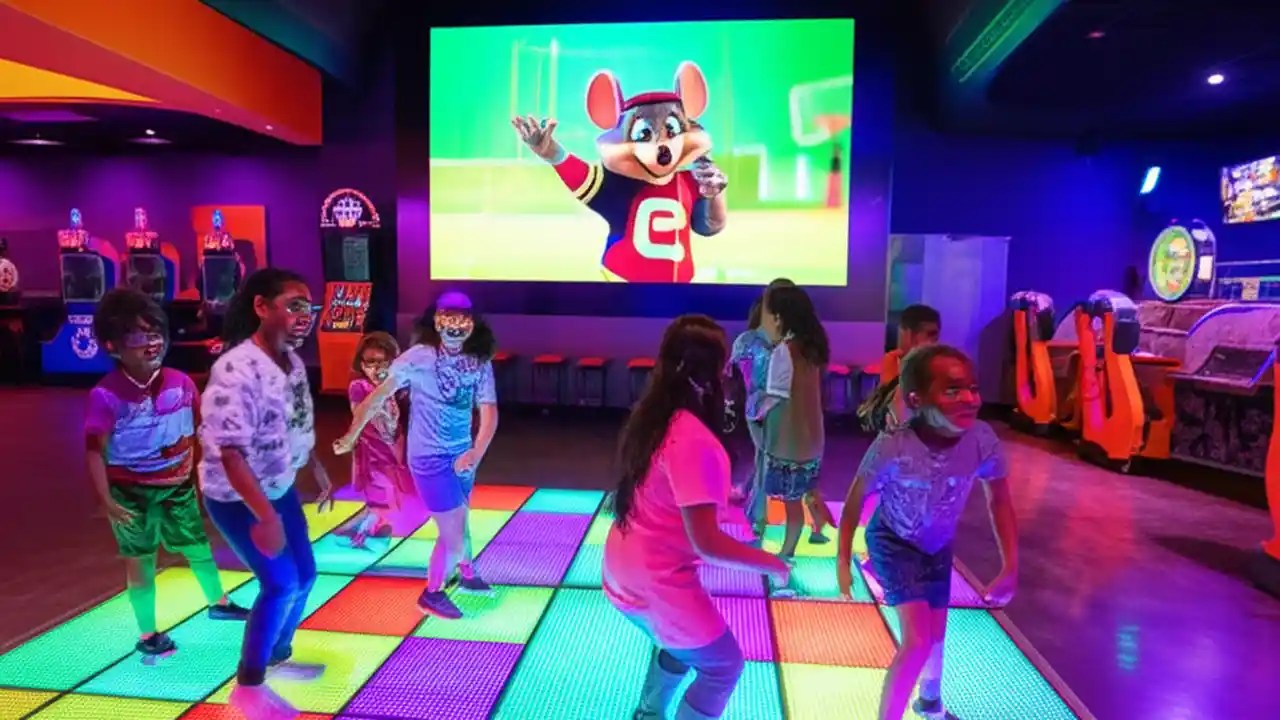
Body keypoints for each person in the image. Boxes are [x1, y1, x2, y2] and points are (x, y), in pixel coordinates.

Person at [604, 314, 790, 720]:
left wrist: (729, 495)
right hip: (652, 581)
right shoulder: (692, 438)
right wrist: (773, 565)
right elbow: (707, 542)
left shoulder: (656, 418)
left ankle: (648, 714)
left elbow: (667, 490)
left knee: (677, 644)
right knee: (723, 666)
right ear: (714, 375)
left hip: (621, 569)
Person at [836, 344, 1019, 720]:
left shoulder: (981, 440)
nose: (969, 399)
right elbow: (856, 498)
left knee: (936, 633)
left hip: (937, 546)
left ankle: (929, 701)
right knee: (917, 642)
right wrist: (842, 558)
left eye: (973, 388)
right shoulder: (894, 445)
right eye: (952, 390)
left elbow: (999, 500)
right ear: (917, 400)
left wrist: (1010, 565)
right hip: (892, 542)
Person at [84, 289, 249, 658]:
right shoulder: (105, 396)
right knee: (140, 561)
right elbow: (95, 451)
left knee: (198, 548)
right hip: (130, 493)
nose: (152, 343)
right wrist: (106, 499)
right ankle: (148, 635)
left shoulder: (181, 382)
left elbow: (197, 434)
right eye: (138, 336)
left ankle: (218, 602)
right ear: (112, 345)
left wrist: (203, 479)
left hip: (178, 487)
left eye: (156, 333)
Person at [199, 268, 333, 720]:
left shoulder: (291, 362)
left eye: (308, 307)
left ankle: (277, 655)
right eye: (294, 305)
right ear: (261, 307)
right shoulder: (236, 370)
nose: (305, 315)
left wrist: (311, 464)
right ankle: (249, 686)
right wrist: (267, 516)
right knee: (280, 583)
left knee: (307, 574)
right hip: (238, 498)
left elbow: (292, 424)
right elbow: (231, 455)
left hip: (278, 487)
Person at [334, 291, 498, 620]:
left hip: (462, 455)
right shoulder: (419, 357)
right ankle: (432, 593)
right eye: (446, 319)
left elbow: (489, 412)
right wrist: (352, 434)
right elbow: (377, 397)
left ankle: (466, 572)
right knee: (452, 533)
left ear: (473, 324)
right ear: (435, 322)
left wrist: (475, 453)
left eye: (461, 319)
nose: (453, 327)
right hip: (428, 459)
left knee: (460, 518)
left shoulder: (479, 361)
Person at [755, 285, 835, 559]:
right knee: (807, 488)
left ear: (779, 317)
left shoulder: (784, 351)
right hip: (812, 438)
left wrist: (754, 409)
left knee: (791, 504)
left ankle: (786, 554)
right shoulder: (812, 348)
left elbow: (775, 396)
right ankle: (819, 524)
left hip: (788, 440)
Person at [340, 331, 415, 548]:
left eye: (383, 362)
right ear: (361, 363)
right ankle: (364, 533)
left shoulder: (394, 386)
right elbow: (360, 417)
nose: (376, 368)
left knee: (389, 492)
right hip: (371, 450)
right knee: (380, 491)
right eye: (370, 362)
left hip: (392, 447)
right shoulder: (360, 387)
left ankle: (369, 529)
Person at [859, 304, 941, 434]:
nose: (934, 342)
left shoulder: (939, 364)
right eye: (930, 335)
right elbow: (890, 405)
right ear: (907, 334)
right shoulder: (892, 360)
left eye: (935, 336)